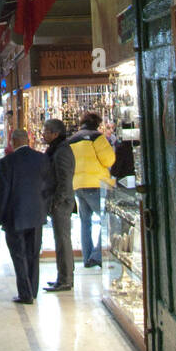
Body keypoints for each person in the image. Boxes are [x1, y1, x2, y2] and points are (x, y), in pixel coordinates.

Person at [0, 129, 50, 303]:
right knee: (33, 253)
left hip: (14, 215)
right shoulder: (41, 159)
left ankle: (25, 294)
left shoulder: (7, 162)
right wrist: (44, 208)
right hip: (36, 214)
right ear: (28, 140)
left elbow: (2, 192)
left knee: (19, 255)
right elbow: (48, 186)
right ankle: (33, 290)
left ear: (13, 142)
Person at [67, 112, 116, 268]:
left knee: (85, 222)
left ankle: (88, 257)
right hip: (96, 184)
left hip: (78, 185)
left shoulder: (72, 140)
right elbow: (109, 159)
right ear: (97, 123)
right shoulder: (97, 137)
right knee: (107, 220)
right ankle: (96, 255)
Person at [42, 118, 76, 291]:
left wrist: (57, 201)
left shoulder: (62, 151)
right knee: (61, 240)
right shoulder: (56, 149)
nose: (43, 134)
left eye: (46, 131)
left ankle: (65, 279)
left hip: (62, 203)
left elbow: (65, 179)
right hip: (58, 201)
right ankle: (64, 275)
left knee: (63, 241)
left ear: (55, 133)